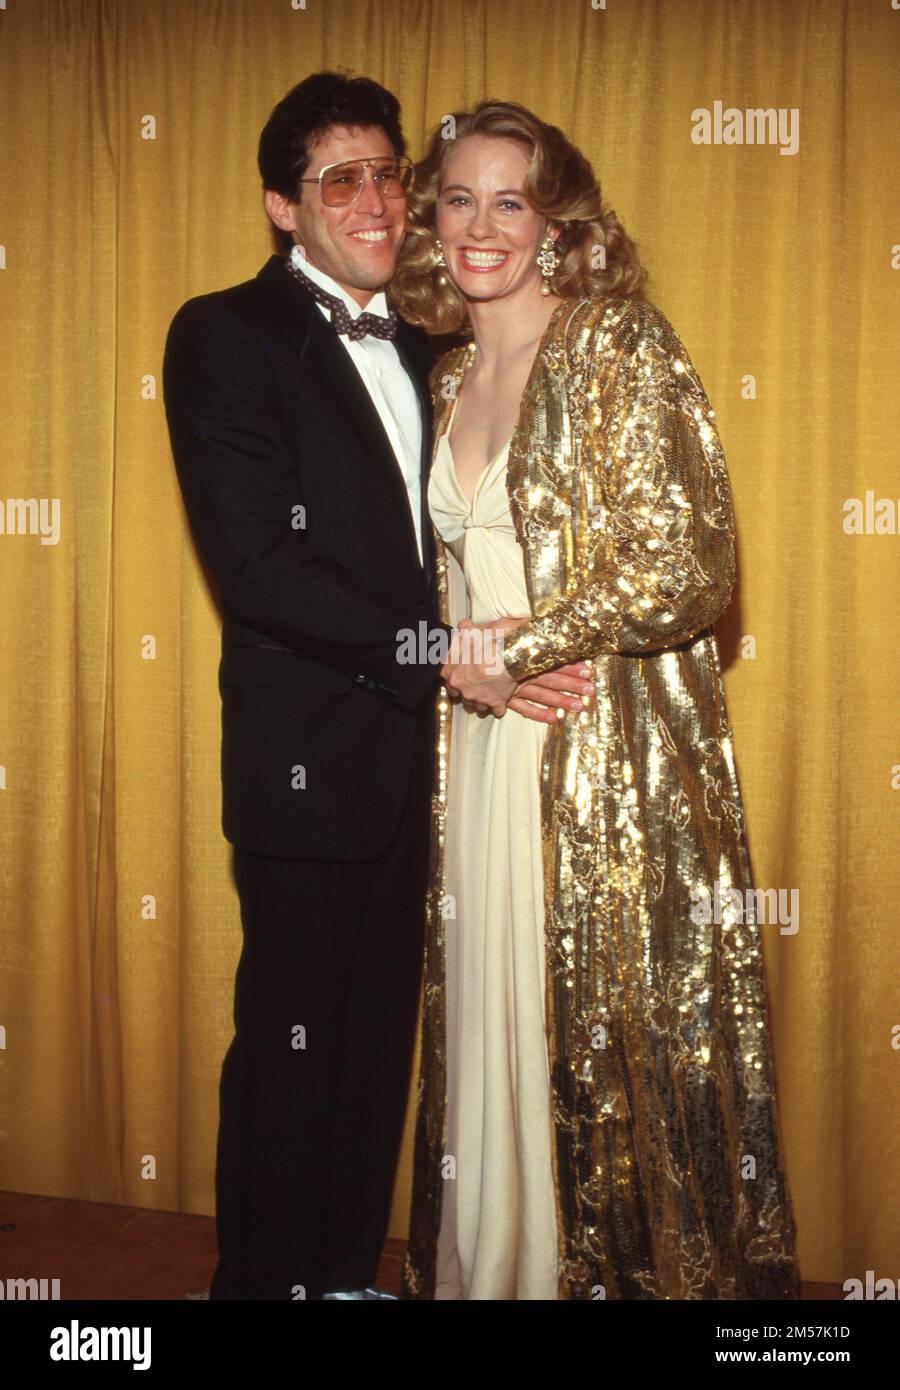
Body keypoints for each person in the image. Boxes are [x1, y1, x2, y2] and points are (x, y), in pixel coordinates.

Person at [163, 73, 582, 1302]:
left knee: (376, 1039)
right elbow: (258, 566)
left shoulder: (432, 342)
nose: (375, 198)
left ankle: (344, 1273)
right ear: (283, 208)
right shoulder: (226, 333)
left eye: (388, 172)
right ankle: (263, 1283)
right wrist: (444, 654)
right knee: (293, 1039)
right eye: (339, 177)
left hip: (427, 763)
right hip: (306, 756)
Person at [391, 100, 801, 1300]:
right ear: (429, 221)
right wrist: (459, 662)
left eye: (508, 200)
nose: (481, 225)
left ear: (556, 220)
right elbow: (429, 593)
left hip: (595, 749)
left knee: (606, 1035)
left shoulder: (621, 345)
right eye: (457, 198)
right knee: (489, 1018)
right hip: (472, 752)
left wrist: (528, 644)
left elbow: (692, 561)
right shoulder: (451, 367)